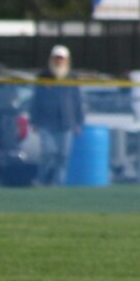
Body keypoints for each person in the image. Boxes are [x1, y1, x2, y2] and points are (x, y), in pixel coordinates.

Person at [30, 45, 85, 186]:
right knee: (49, 152)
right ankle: (42, 180)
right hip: (46, 122)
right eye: (56, 58)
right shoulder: (43, 76)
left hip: (66, 122)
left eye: (61, 59)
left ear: (66, 60)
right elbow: (35, 99)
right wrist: (34, 120)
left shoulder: (72, 77)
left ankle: (58, 183)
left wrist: (79, 122)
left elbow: (77, 101)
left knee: (63, 155)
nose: (58, 61)